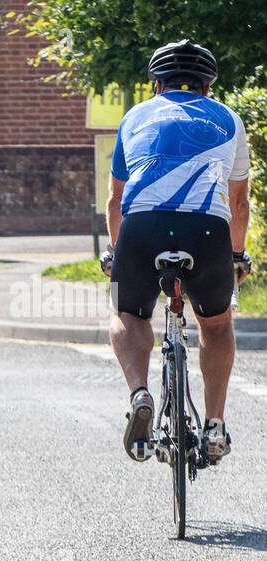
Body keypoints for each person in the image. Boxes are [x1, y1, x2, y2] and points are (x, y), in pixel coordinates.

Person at [101, 40, 252, 463]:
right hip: (207, 231)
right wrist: (236, 255)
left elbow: (116, 199)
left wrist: (116, 252)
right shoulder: (227, 117)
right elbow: (238, 203)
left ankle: (140, 393)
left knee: (127, 314)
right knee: (217, 325)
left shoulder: (134, 117)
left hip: (142, 226)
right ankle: (215, 425)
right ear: (208, 86)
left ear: (155, 84)